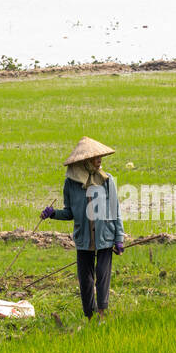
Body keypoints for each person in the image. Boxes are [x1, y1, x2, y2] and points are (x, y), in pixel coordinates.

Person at [42, 136, 126, 320]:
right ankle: (90, 315)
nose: (99, 160)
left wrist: (119, 238)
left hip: (106, 236)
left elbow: (115, 210)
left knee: (103, 277)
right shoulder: (71, 184)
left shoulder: (107, 180)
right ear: (84, 161)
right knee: (86, 280)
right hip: (84, 238)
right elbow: (70, 212)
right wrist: (53, 213)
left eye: (100, 157)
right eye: (95, 157)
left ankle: (102, 314)